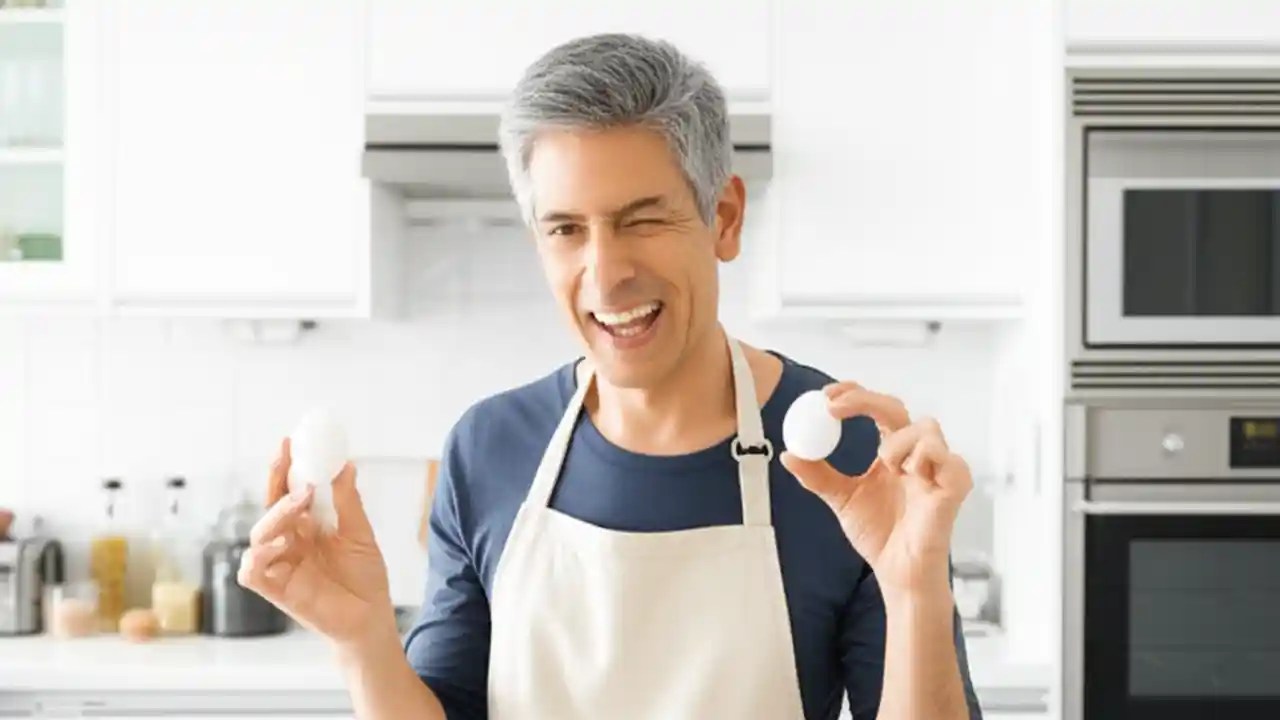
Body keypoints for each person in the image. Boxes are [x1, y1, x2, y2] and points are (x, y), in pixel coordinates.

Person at [238, 33, 984, 720]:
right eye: (566, 229)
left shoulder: (847, 461)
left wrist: (915, 592)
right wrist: (363, 642)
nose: (606, 273)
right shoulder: (489, 449)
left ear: (724, 217)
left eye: (642, 220)